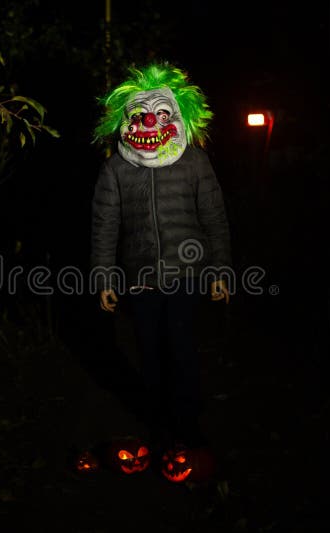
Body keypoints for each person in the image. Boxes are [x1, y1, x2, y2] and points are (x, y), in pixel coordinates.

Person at [89, 62, 232, 465]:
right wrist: (103, 277)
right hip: (140, 277)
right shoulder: (116, 167)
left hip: (187, 274)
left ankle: (187, 425)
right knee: (149, 350)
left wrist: (220, 270)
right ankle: (159, 423)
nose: (150, 120)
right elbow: (104, 224)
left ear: (178, 115)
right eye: (139, 114)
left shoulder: (194, 161)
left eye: (161, 112)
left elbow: (215, 217)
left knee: (180, 344)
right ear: (124, 119)